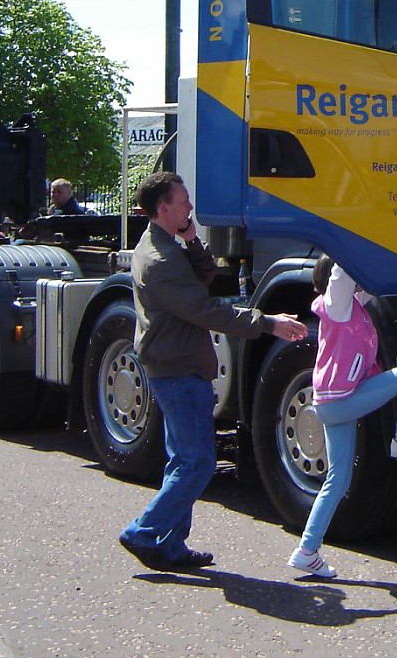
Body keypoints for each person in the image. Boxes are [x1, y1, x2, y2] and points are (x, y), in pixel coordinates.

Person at [118, 172, 307, 572]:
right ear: (164, 208)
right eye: (183, 201)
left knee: (182, 461)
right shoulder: (160, 260)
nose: (190, 207)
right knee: (198, 463)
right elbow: (205, 309)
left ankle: (170, 546)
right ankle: (143, 531)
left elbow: (204, 276)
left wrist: (191, 238)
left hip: (178, 365)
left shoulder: (164, 246)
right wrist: (268, 323)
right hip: (179, 370)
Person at [288, 254, 397, 579]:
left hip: (333, 402)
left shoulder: (352, 306)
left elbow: (376, 280)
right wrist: (347, 244)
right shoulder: (337, 305)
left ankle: (306, 550)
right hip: (342, 400)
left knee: (338, 481)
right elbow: (344, 268)